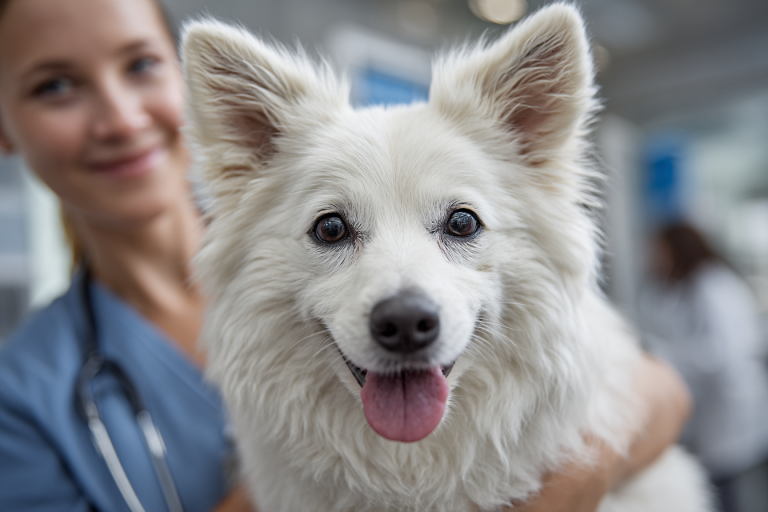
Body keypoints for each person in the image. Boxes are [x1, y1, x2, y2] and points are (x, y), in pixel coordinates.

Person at [0, 0, 692, 510]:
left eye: (459, 223)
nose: (119, 118)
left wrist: (591, 460)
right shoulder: (21, 397)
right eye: (332, 230)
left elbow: (662, 388)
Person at [639, 223, 768, 512]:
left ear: (677, 248)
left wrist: (664, 355)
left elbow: (721, 353)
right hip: (715, 407)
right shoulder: (690, 285)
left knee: (724, 489)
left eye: (659, 251)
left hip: (728, 405)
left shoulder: (711, 286)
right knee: (720, 486)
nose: (654, 259)